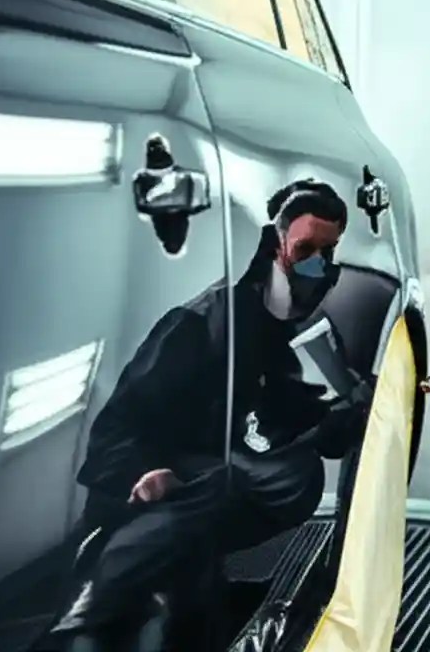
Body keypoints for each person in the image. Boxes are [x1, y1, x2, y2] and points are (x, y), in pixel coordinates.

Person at [41, 179, 366, 651]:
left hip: (206, 474)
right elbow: (111, 434)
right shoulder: (198, 325)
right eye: (307, 251)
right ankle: (93, 599)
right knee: (225, 484)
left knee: (295, 474)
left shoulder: (269, 323)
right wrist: (146, 472)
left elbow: (267, 415)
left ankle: (181, 575)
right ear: (273, 245)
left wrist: (336, 416)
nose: (319, 268)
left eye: (328, 253)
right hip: (144, 485)